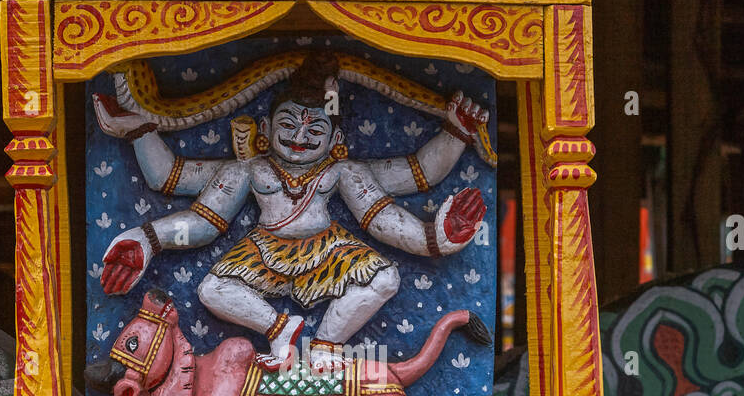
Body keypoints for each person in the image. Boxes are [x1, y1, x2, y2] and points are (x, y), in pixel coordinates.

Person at [94, 55, 487, 372]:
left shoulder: (342, 171)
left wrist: (436, 237)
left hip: (329, 250)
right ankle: (281, 330)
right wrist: (147, 237)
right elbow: (188, 203)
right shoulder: (248, 169)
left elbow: (396, 201)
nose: (300, 137)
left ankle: (326, 343)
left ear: (336, 140)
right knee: (212, 290)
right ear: (264, 128)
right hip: (263, 251)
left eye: (315, 129)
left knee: (385, 278)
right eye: (288, 125)